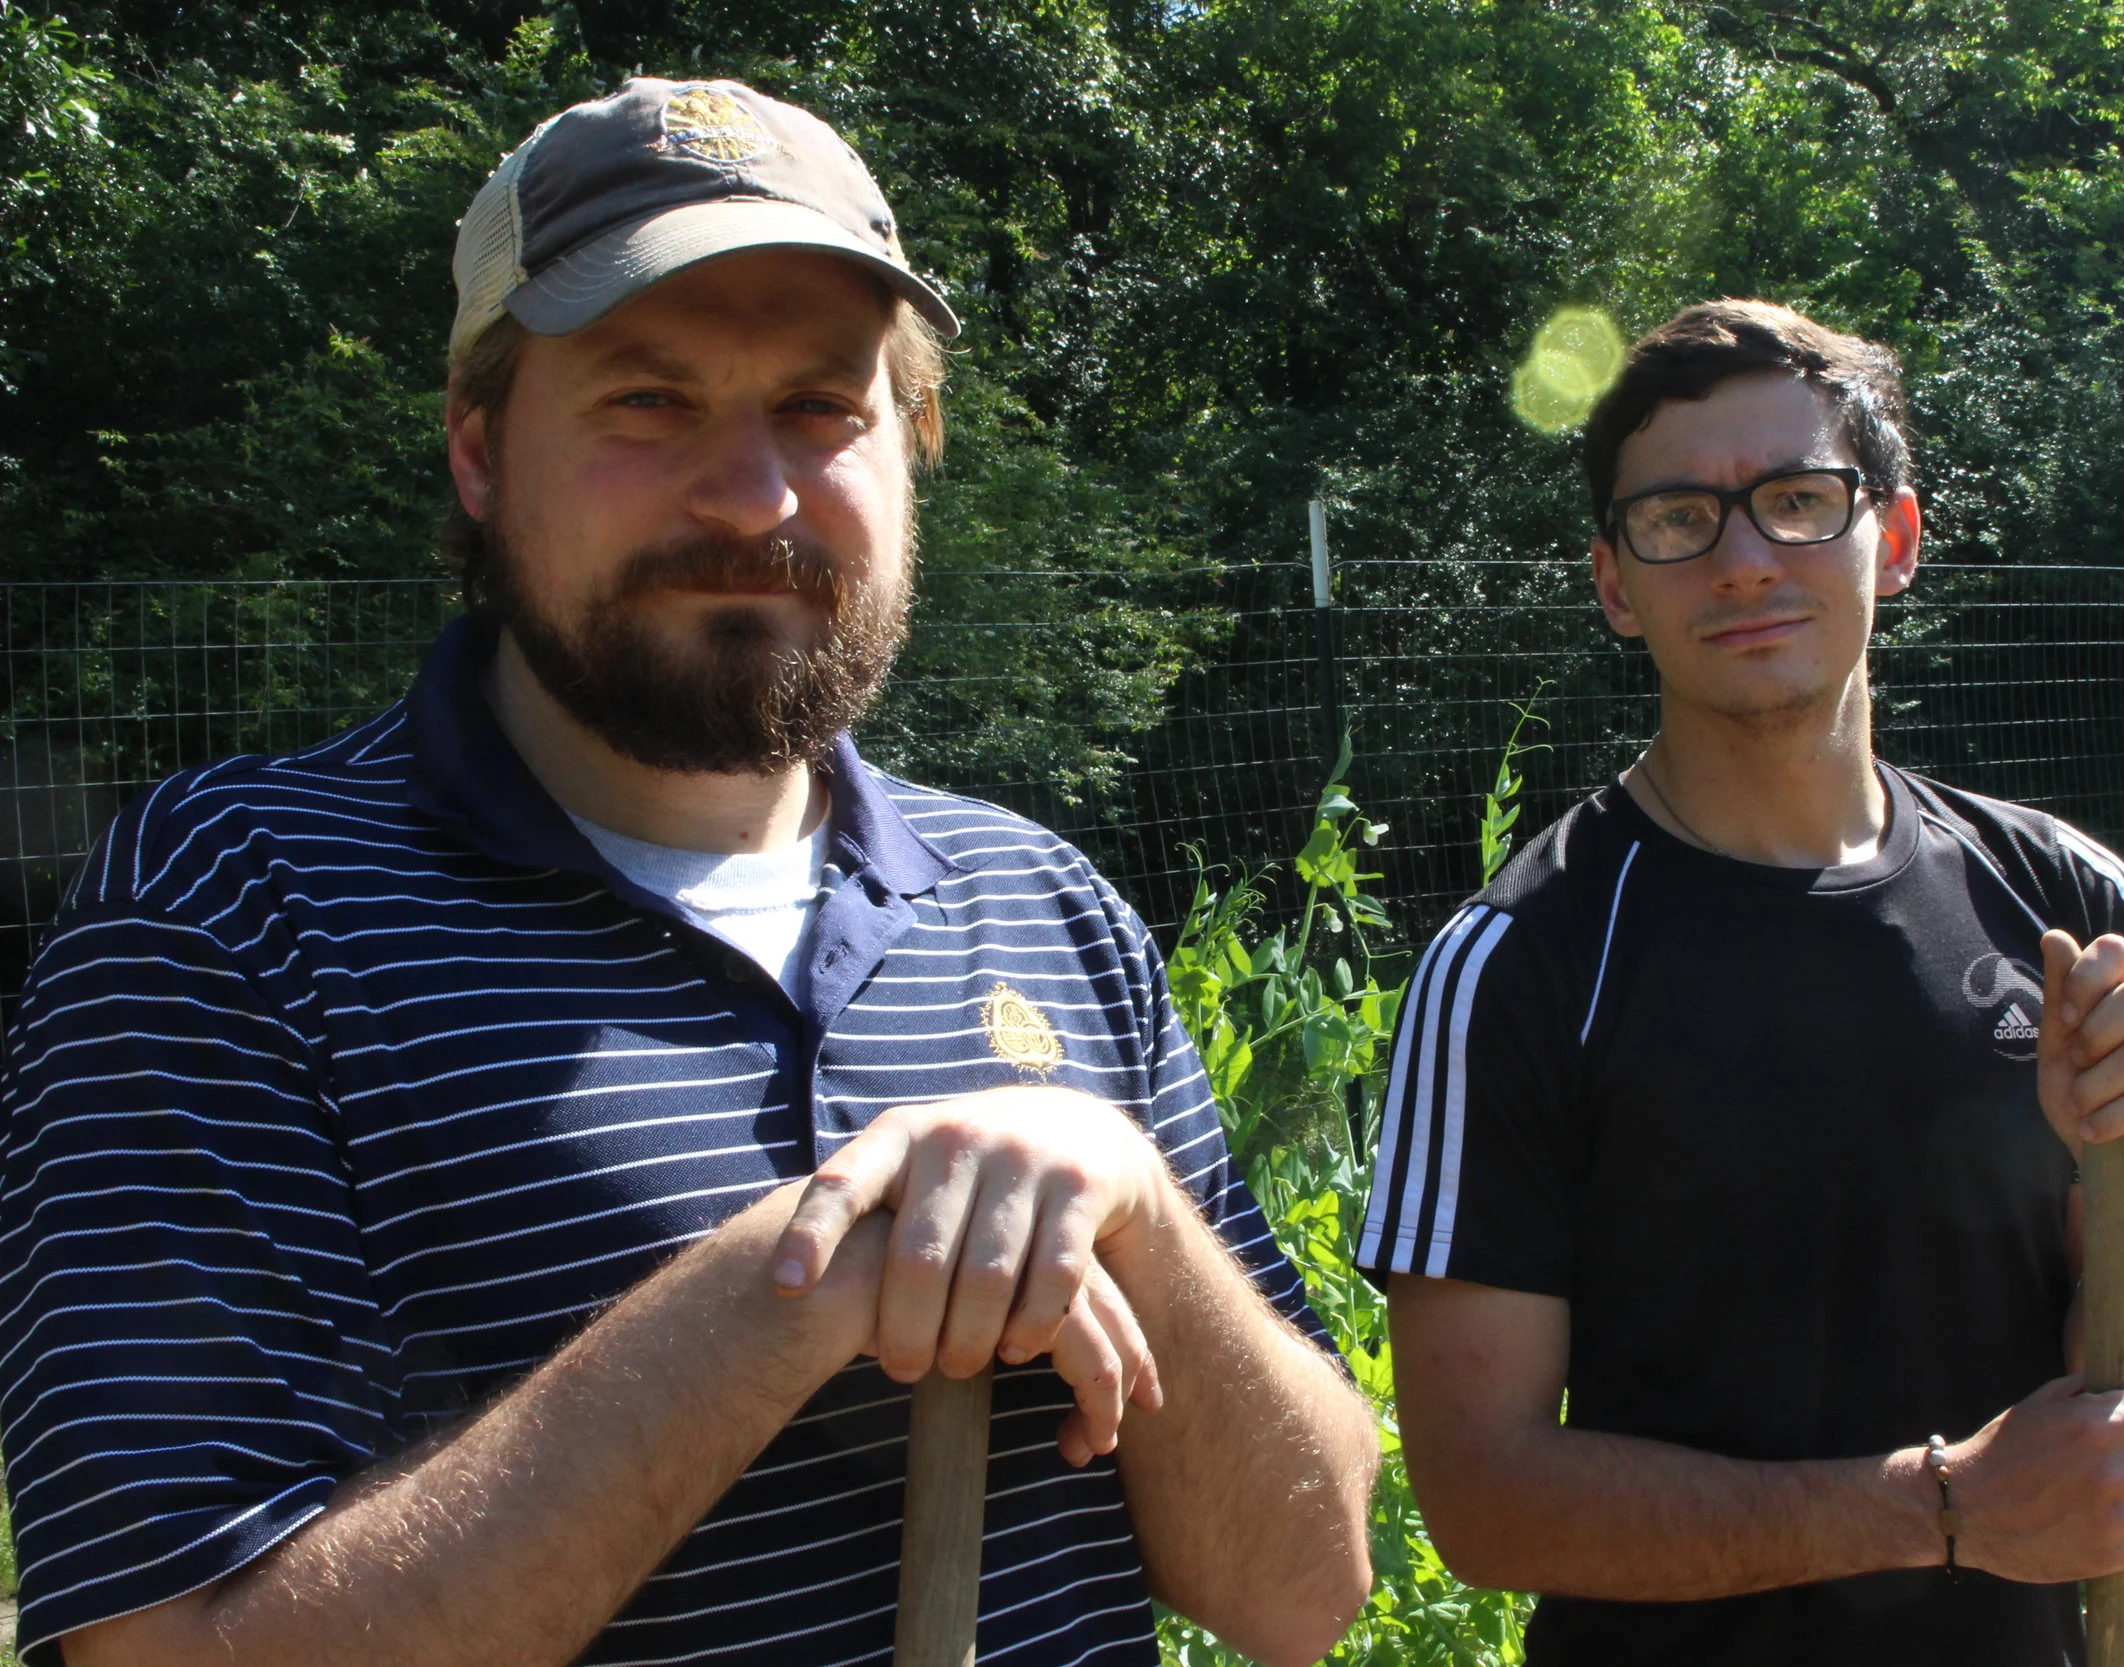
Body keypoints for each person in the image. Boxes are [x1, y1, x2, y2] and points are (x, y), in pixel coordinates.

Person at [0, 78, 1375, 1667]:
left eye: (822, 407)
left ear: (911, 448)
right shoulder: (230, 914)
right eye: (649, 401)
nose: (754, 495)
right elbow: (167, 1647)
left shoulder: (1040, 901)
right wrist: (790, 1282)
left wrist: (1130, 1200)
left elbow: (1306, 1585)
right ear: (477, 451)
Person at [1357, 300, 2124, 1664]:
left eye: (1799, 500)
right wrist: (1940, 1508)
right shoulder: (1519, 963)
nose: (1745, 559)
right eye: (1679, 518)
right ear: (1613, 582)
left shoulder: (2070, 906)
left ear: (1896, 538)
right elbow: (1482, 1497)